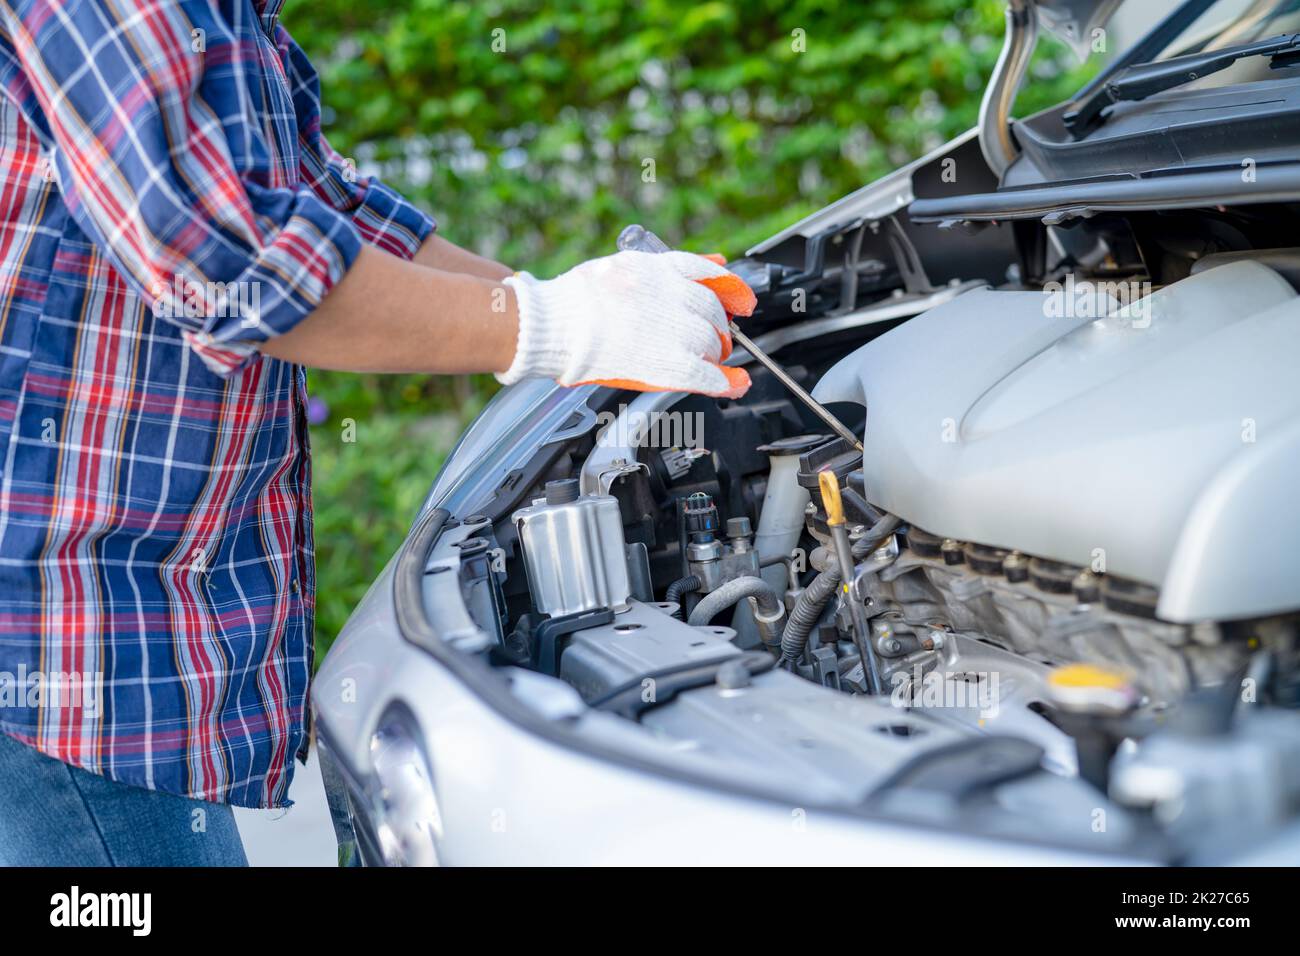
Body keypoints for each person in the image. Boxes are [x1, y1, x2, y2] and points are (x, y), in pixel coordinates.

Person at [0, 0, 753, 865]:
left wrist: (575, 307)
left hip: (123, 588)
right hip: (52, 618)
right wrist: (553, 324)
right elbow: (228, 261)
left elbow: (322, 204)